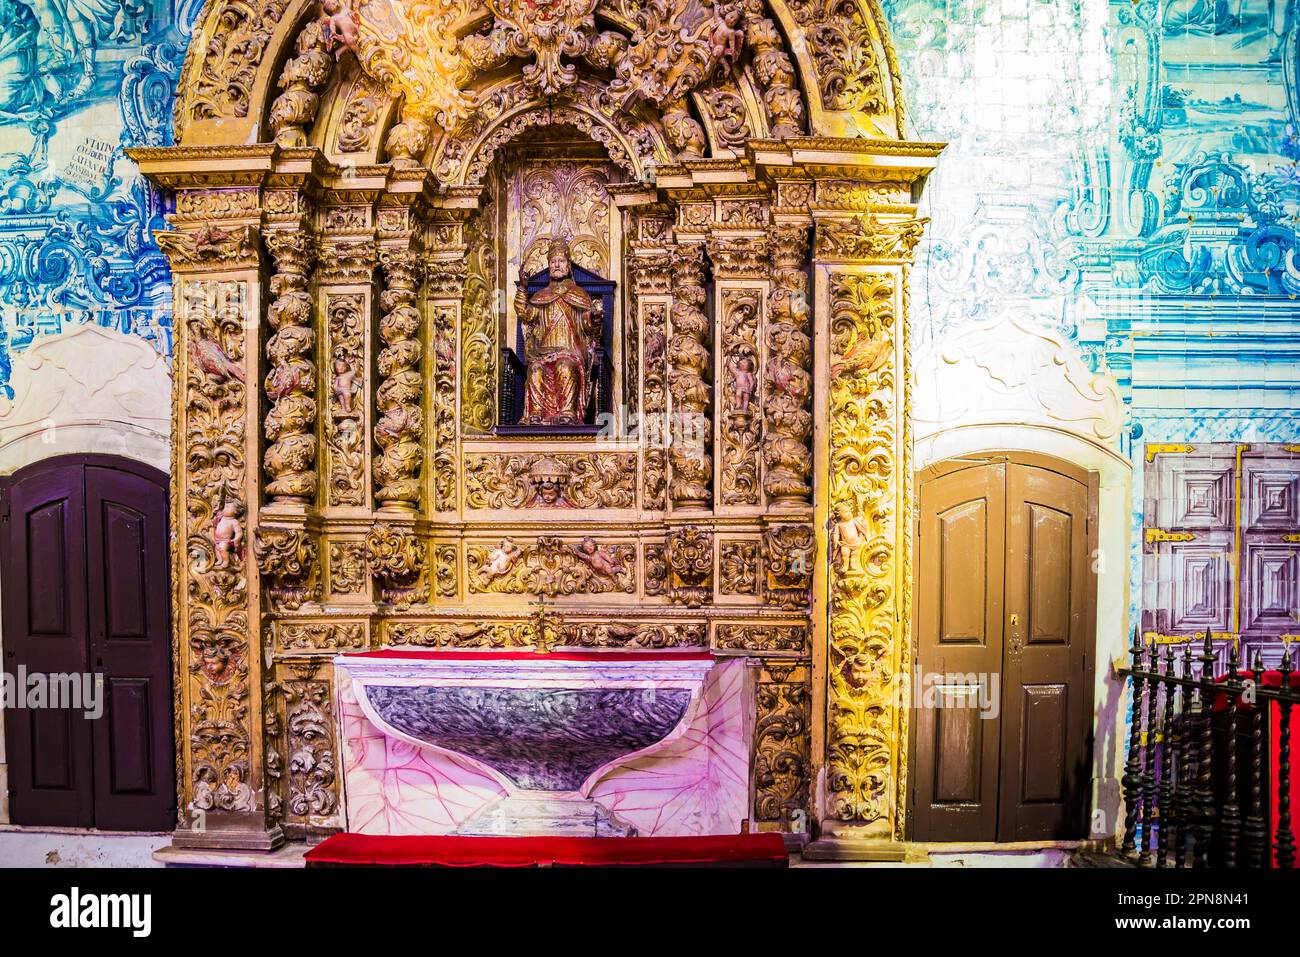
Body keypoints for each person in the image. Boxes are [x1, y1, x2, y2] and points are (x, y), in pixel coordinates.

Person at [515, 239, 600, 425]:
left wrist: (593, 319)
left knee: (565, 366)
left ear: (568, 266)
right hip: (545, 352)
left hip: (570, 351)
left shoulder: (579, 295)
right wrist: (523, 288)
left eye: (560, 261)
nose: (556, 265)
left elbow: (588, 325)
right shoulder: (540, 297)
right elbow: (525, 314)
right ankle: (536, 413)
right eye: (553, 262)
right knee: (535, 370)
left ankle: (568, 413)